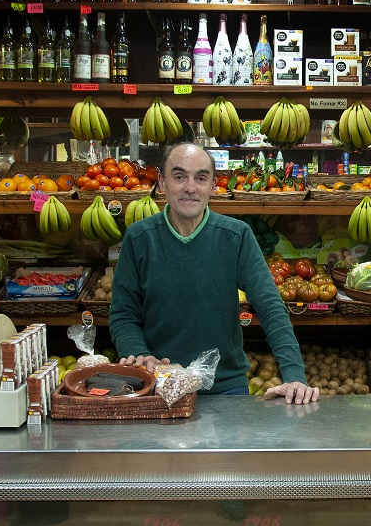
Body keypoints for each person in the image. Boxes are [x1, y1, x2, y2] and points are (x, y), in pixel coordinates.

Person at [110, 143, 319, 404]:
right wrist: (138, 353)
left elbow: (270, 306)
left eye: (200, 178)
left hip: (226, 388)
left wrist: (294, 374)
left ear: (212, 185)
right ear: (161, 183)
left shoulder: (236, 236)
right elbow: (123, 313)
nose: (190, 187)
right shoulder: (140, 238)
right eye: (178, 176)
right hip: (158, 385)